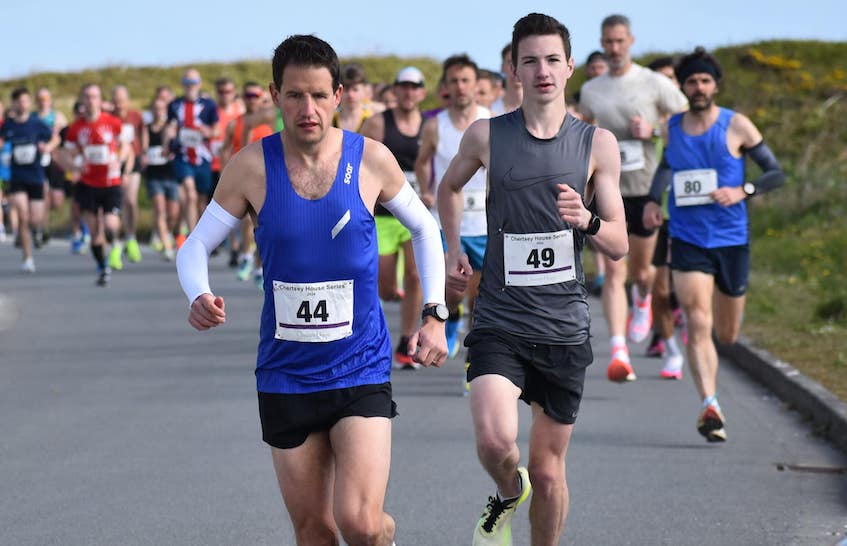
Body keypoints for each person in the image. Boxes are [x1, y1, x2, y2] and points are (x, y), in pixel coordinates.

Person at [176, 34, 447, 546]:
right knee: (315, 532)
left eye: (320, 95)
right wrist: (197, 292)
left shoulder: (372, 159)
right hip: (286, 374)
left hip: (359, 366)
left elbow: (426, 229)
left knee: (362, 524)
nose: (308, 108)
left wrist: (434, 311)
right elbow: (194, 247)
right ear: (275, 97)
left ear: (339, 95)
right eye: (295, 95)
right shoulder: (251, 167)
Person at [438, 13, 627, 545]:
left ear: (569, 66)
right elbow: (448, 189)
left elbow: (619, 242)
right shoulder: (486, 135)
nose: (541, 70)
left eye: (551, 59)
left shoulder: (596, 144)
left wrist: (586, 220)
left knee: (547, 472)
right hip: (499, 318)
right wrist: (454, 248)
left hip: (564, 327)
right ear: (513, 70)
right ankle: (504, 493)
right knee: (497, 444)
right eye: (529, 61)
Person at [643, 47, 785, 441]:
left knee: (727, 333)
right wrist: (655, 201)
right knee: (697, 318)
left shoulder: (736, 125)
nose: (699, 87)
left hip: (731, 238)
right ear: (684, 86)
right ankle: (711, 404)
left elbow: (775, 172)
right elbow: (666, 167)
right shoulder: (672, 126)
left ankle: (712, 391)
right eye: (691, 81)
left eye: (705, 80)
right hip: (688, 237)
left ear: (715, 85)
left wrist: (744, 189)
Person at [579, 14, 687, 382]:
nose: (613, 48)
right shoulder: (593, 88)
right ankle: (619, 347)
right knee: (613, 271)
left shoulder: (653, 82)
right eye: (607, 41)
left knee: (642, 274)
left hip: (643, 189)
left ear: (631, 41)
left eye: (619, 41)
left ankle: (642, 301)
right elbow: (585, 126)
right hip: (607, 190)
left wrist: (654, 128)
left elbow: (687, 118)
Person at [416, 54, 491, 362]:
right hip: (447, 222)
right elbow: (421, 163)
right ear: (445, 87)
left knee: (482, 296)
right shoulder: (435, 126)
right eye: (454, 82)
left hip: (485, 223)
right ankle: (453, 315)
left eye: (466, 81)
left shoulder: (493, 122)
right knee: (451, 290)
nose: (460, 87)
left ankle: (477, 357)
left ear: (476, 85)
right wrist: (425, 190)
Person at [361, 66, 427, 369]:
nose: (409, 92)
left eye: (415, 87)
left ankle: (407, 339)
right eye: (404, 86)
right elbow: (357, 162)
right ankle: (395, 304)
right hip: (382, 215)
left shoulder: (431, 127)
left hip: (414, 215)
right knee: (385, 288)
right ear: (395, 90)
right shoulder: (377, 124)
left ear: (422, 92)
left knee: (415, 275)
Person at [64, 84, 131, 286]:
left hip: (110, 182)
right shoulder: (76, 128)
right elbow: (67, 153)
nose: (91, 100)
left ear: (100, 100)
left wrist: (120, 161)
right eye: (87, 97)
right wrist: (75, 166)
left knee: (110, 225)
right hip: (88, 184)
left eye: (95, 96)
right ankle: (103, 267)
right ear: (83, 101)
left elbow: (125, 146)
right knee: (94, 232)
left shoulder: (112, 122)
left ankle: (117, 242)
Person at [219, 81, 274, 285]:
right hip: (246, 179)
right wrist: (227, 173)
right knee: (248, 221)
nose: (252, 99)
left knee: (263, 224)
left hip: (268, 178)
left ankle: (259, 267)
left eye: (255, 95)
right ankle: (245, 258)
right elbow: (225, 149)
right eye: (248, 95)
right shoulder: (236, 123)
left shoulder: (269, 122)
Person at [0, 87, 53, 272]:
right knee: (22, 215)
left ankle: (37, 231)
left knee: (35, 218)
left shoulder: (37, 123)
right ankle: (28, 257)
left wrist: (47, 147)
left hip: (36, 176)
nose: (23, 104)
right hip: (17, 177)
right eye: (20, 101)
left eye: (26, 101)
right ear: (14, 103)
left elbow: (53, 138)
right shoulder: (8, 125)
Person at [168, 68, 219, 240]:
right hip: (182, 156)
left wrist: (207, 131)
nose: (191, 86)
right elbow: (170, 127)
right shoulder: (175, 105)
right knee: (190, 193)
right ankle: (193, 236)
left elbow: (216, 129)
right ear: (183, 84)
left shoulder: (209, 105)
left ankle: (202, 234)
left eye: (194, 83)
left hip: (203, 157)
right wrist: (166, 140)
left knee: (202, 201)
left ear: (200, 84)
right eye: (187, 83)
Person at [141, 96, 179, 261]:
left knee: (173, 214)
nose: (158, 112)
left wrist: (171, 150)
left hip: (170, 174)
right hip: (154, 174)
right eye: (155, 108)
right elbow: (143, 148)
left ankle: (166, 233)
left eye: (162, 109)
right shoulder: (147, 128)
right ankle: (167, 246)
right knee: (160, 209)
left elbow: (177, 146)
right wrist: (144, 156)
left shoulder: (170, 128)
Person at [112, 85, 144, 266]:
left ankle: (131, 236)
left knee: (131, 199)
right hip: (114, 161)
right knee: (119, 202)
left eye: (122, 99)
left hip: (133, 160)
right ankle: (117, 241)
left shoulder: (135, 116)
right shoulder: (108, 117)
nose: (119, 102)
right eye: (116, 99)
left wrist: (144, 151)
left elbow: (141, 134)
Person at [489, 43, 523, 116]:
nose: (516, 68)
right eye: (510, 62)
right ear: (502, 67)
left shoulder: (542, 108)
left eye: (521, 61)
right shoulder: (490, 110)